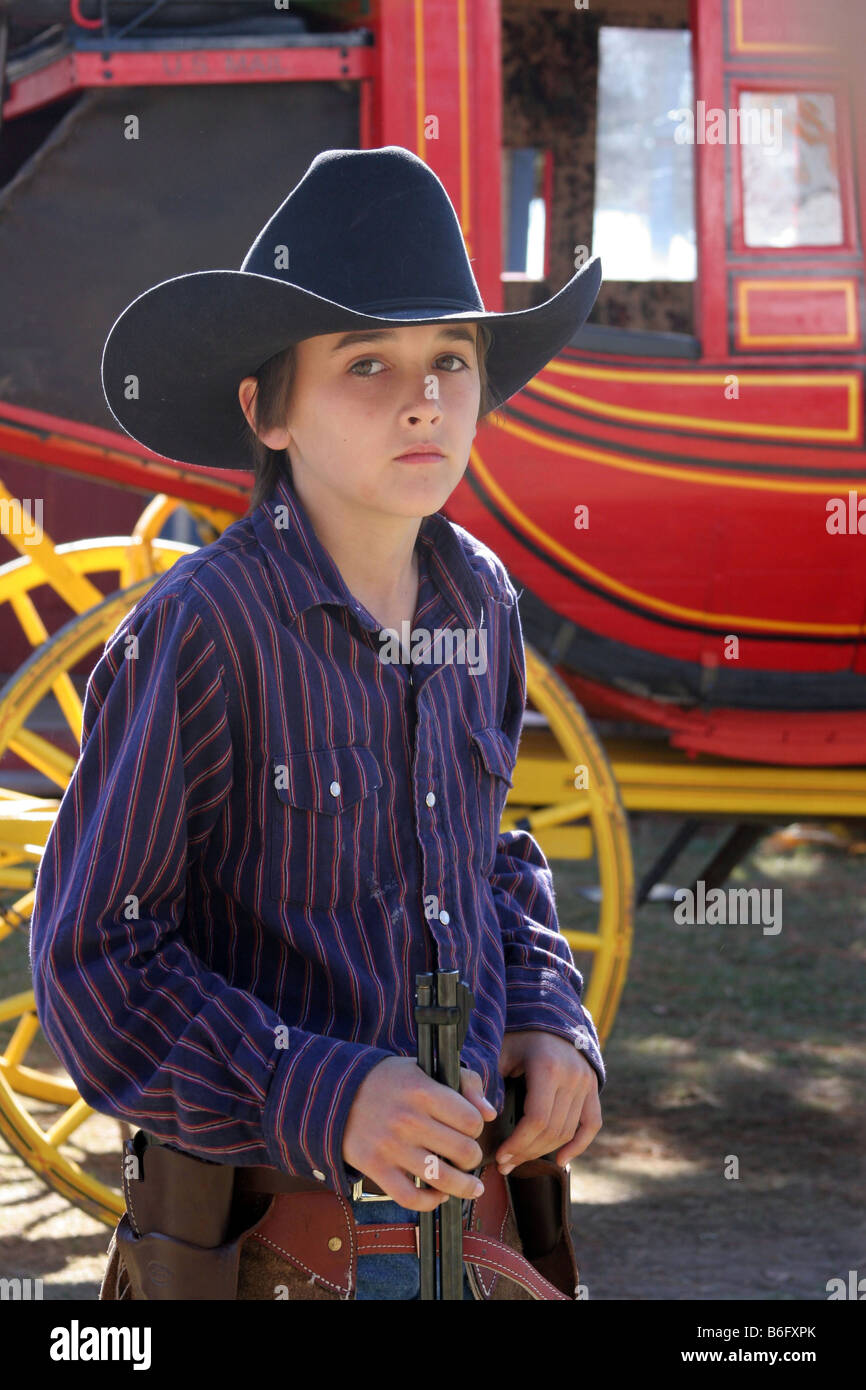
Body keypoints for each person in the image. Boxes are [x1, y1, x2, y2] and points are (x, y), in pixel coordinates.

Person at [30, 146, 605, 1301]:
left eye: (450, 357)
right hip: (270, 1253)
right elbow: (96, 962)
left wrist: (546, 1012)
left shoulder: (480, 602)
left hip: (470, 1238)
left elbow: (482, 854)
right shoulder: (204, 631)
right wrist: (322, 1088)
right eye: (364, 363)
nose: (421, 396)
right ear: (268, 410)